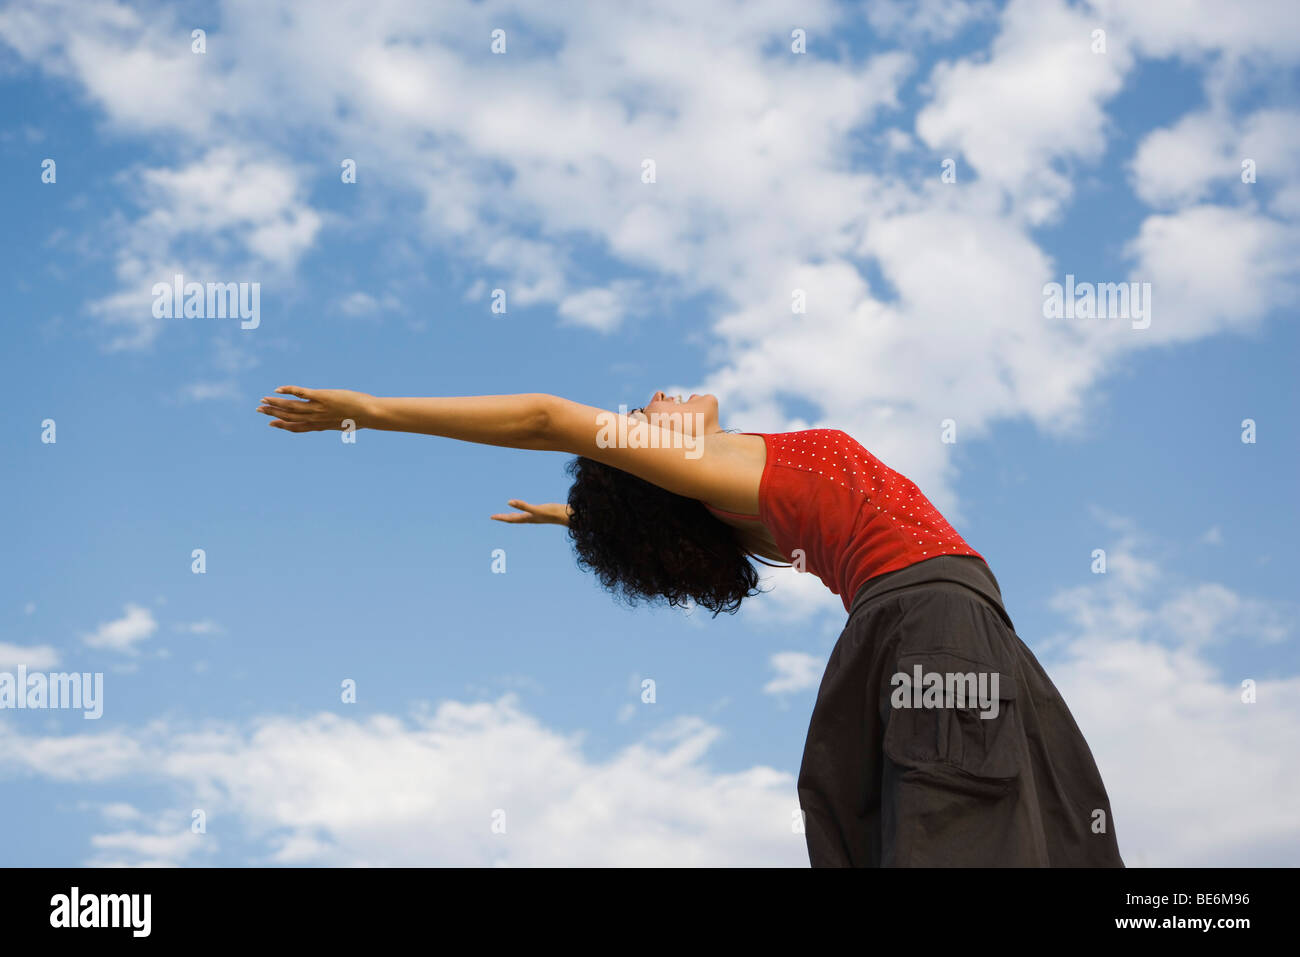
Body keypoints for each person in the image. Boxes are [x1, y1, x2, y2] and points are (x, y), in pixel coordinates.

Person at [257, 385, 1124, 867]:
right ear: (655, 469)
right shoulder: (719, 473)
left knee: (1013, 827)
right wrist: (367, 412)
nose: (659, 404)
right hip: (935, 619)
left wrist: (580, 519)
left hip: (941, 626)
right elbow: (549, 418)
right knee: (957, 830)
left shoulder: (732, 480)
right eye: (639, 424)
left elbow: (694, 405)